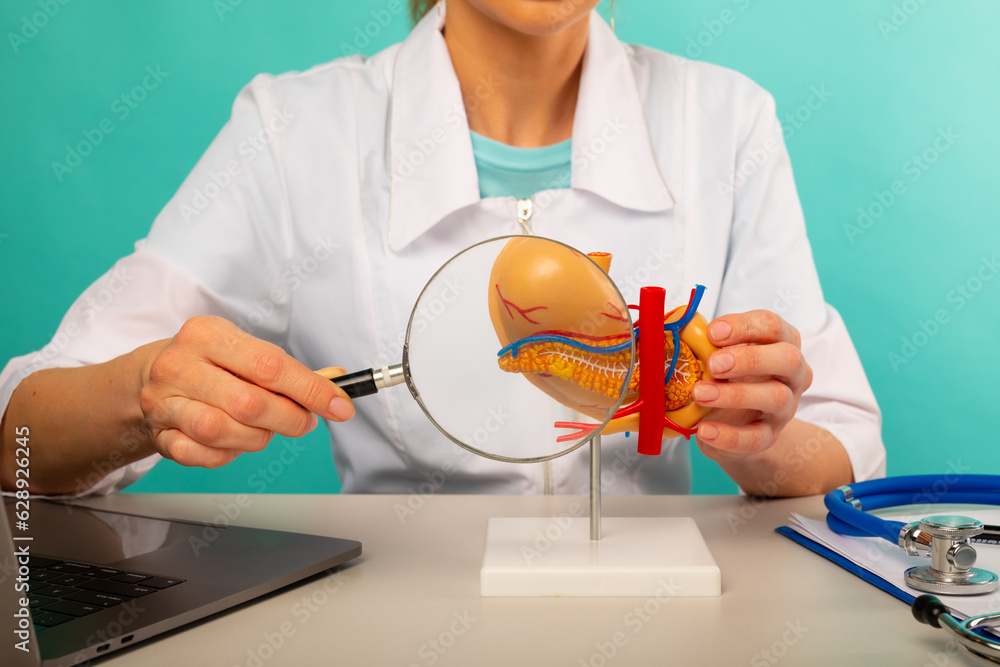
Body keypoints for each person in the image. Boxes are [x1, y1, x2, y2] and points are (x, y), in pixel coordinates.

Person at [0, 0, 884, 498]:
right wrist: (139, 393)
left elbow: (840, 445)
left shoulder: (727, 121)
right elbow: (20, 444)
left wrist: (754, 437)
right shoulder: (294, 130)